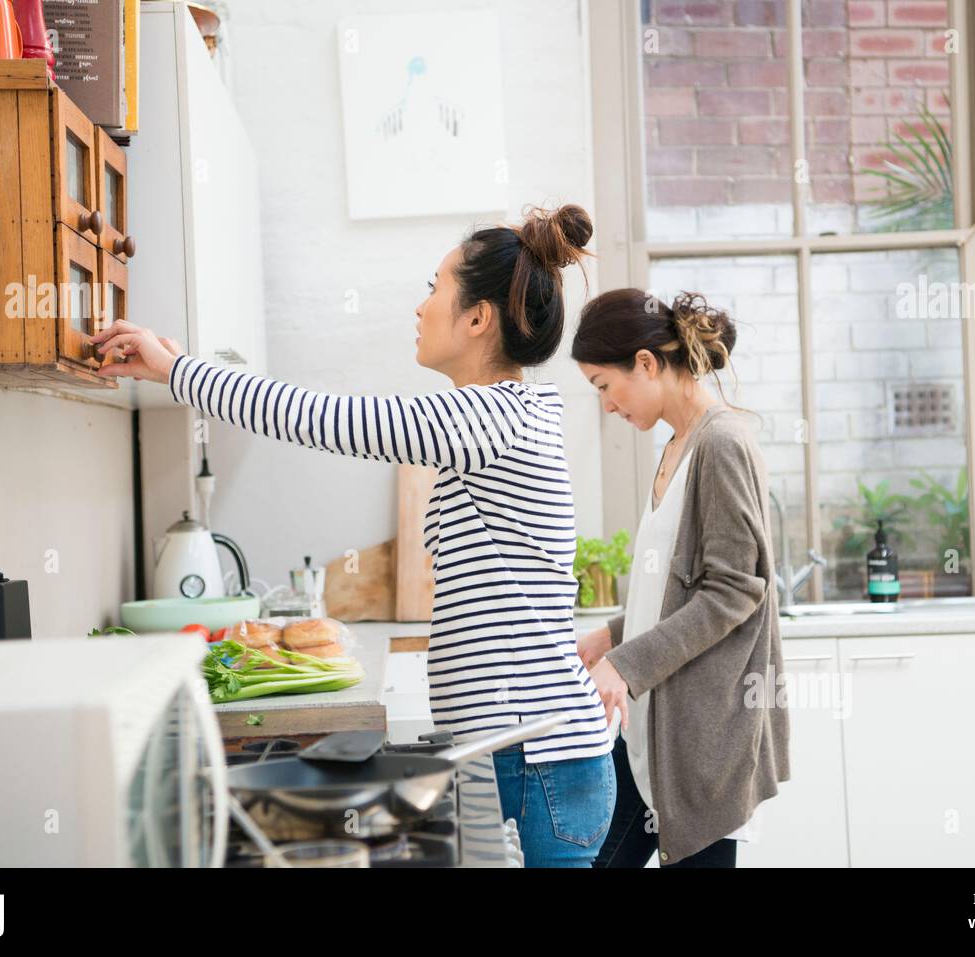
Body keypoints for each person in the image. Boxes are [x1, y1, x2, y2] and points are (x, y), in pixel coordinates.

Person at [90, 205, 617, 866]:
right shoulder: (500, 417)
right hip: (523, 756)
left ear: (478, 317)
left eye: (435, 288)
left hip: (536, 760)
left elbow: (325, 418)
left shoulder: (489, 416)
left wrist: (175, 368)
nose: (420, 307)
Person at [571, 289, 790, 868]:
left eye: (602, 385)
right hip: (652, 734)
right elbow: (679, 586)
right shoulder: (676, 445)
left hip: (703, 743)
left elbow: (735, 589)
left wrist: (627, 663)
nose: (606, 406)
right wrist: (614, 635)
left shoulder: (721, 443)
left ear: (645, 364)